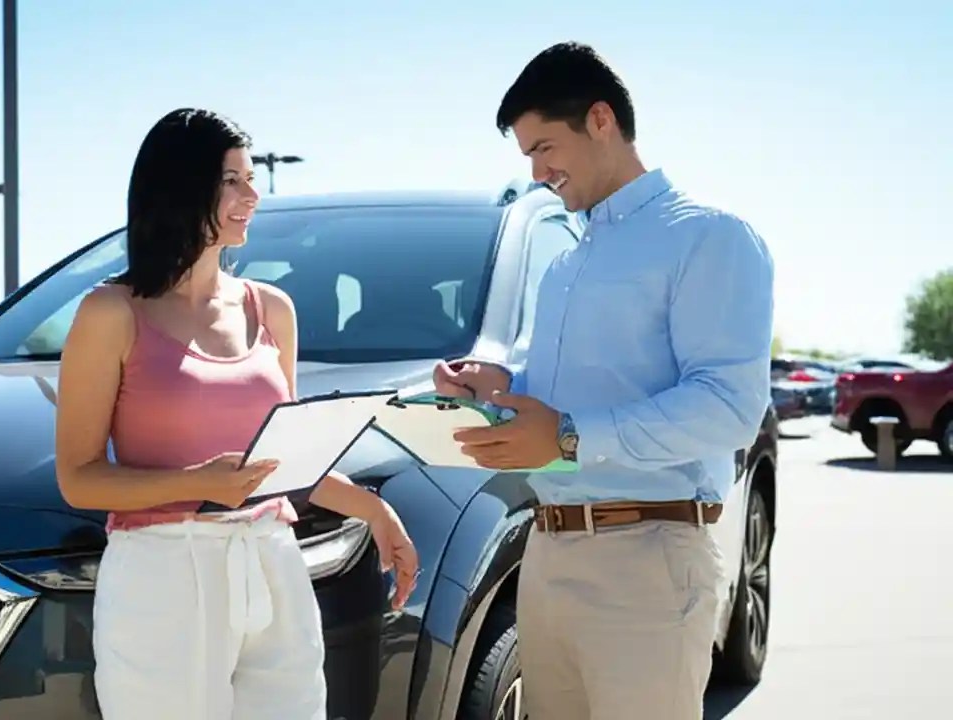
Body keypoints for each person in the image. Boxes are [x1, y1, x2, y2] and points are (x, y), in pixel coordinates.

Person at [436, 43, 774, 719]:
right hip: (548, 556)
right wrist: (497, 385)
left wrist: (564, 440)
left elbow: (729, 407)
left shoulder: (709, 238)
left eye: (544, 147)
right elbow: (561, 386)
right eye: (527, 155)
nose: (537, 171)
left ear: (600, 120)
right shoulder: (566, 262)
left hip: (646, 564)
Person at [54, 108, 418, 720]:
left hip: (273, 562)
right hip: (161, 574)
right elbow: (78, 476)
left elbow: (284, 464)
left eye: (252, 179)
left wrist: (374, 509)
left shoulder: (272, 310)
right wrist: (200, 483)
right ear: (180, 186)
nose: (254, 195)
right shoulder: (111, 312)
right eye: (234, 181)